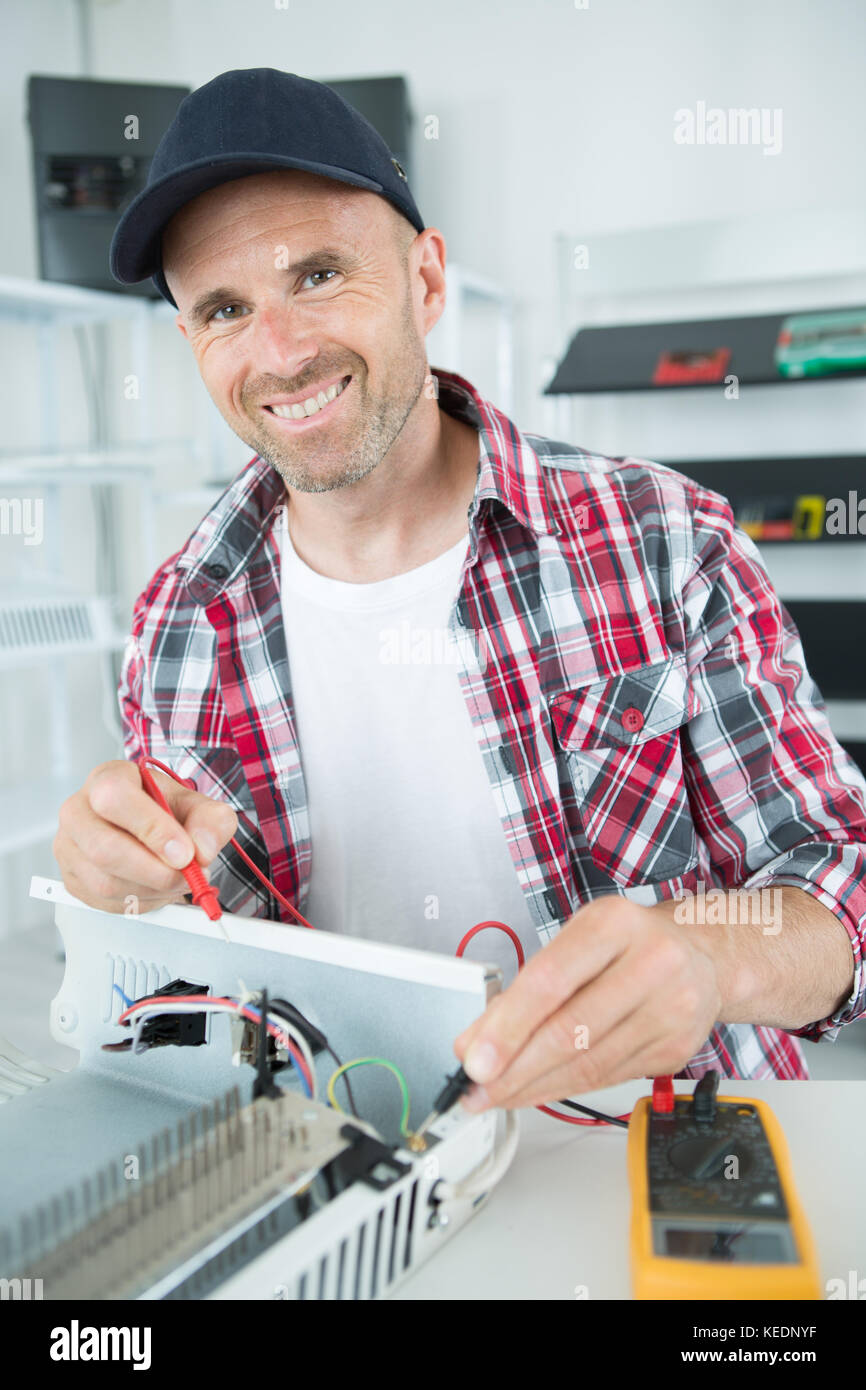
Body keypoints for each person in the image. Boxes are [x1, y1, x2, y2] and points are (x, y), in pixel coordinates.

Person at [53, 68, 866, 1113]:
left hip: (664, 1170)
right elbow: (192, 988)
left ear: (426, 281)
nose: (281, 352)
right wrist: (120, 883)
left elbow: (842, 876)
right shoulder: (177, 617)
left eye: (318, 275)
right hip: (350, 1184)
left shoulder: (666, 543)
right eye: (223, 308)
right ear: (189, 342)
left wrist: (716, 959)